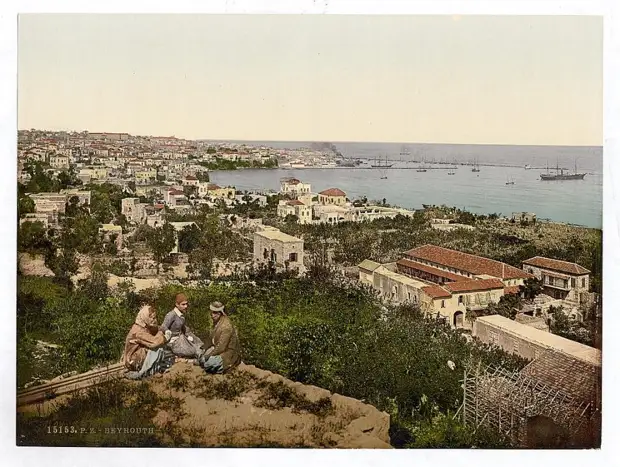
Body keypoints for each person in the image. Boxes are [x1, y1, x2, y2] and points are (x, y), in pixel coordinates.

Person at [122, 305, 174, 379]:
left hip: (140, 355)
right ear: (145, 317)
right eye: (151, 318)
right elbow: (154, 342)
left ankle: (153, 369)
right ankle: (148, 372)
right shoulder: (138, 331)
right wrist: (165, 335)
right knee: (157, 347)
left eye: (154, 318)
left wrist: (162, 330)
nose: (154, 320)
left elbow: (158, 328)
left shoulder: (144, 326)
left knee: (162, 347)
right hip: (133, 361)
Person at [196, 301, 241, 374]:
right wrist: (203, 348)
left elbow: (221, 347)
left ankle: (227, 367)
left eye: (214, 313)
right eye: (212, 312)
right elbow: (210, 339)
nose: (212, 315)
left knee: (208, 363)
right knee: (200, 355)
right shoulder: (216, 323)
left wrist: (208, 356)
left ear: (220, 313)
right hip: (218, 352)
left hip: (228, 354)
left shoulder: (226, 326)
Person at [161, 293, 205, 358]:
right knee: (193, 350)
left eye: (186, 304)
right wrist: (167, 332)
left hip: (181, 339)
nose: (186, 306)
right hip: (173, 342)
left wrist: (196, 339)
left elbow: (185, 330)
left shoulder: (181, 315)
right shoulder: (171, 315)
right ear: (177, 304)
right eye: (183, 304)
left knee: (198, 345)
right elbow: (163, 326)